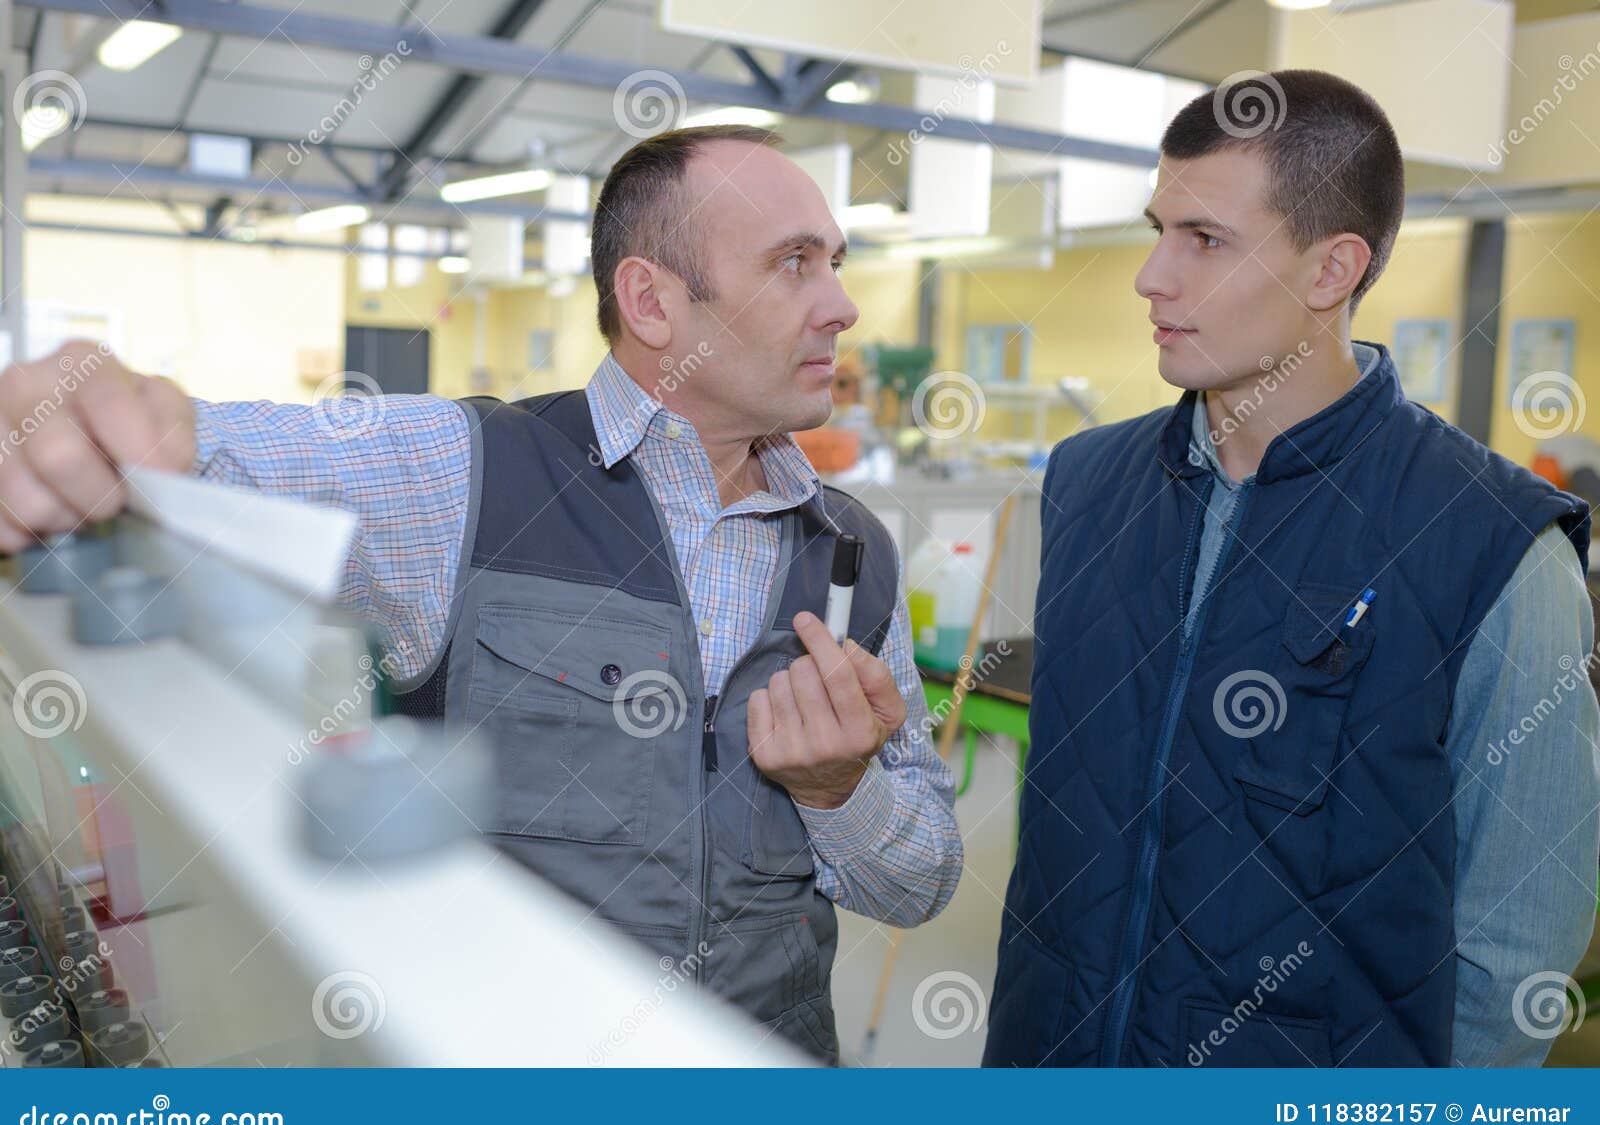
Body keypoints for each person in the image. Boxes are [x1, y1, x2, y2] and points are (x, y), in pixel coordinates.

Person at [0, 125, 962, 1063]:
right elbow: (210, 450)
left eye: (835, 260)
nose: (842, 306)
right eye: (795, 262)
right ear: (653, 303)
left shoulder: (851, 552)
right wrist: (89, 413)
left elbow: (921, 881)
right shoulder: (464, 475)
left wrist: (841, 789)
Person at [986, 70, 1600, 1067]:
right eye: (1157, 230)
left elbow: (1512, 944)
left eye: (1205, 241)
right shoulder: (1086, 484)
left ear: (1330, 272)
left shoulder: (1491, 545)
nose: (1152, 277)